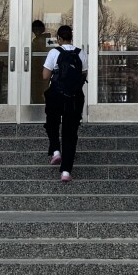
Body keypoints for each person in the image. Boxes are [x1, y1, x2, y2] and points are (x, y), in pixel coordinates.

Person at [42, 24, 86, 184]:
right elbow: (84, 74)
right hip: (74, 98)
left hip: (56, 95)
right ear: (71, 38)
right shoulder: (80, 53)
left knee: (52, 123)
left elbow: (45, 76)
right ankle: (66, 171)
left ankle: (55, 151)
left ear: (59, 38)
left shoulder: (54, 52)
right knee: (70, 133)